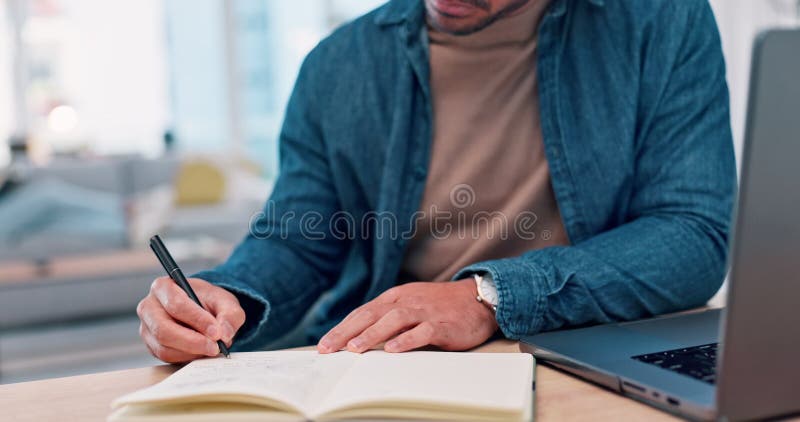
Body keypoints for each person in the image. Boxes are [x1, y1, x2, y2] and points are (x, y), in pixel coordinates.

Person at [137, 0, 736, 363]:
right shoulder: (337, 65)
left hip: (588, 350)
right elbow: (299, 239)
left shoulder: (662, 21)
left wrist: (490, 297)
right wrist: (224, 298)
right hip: (391, 364)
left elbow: (692, 235)